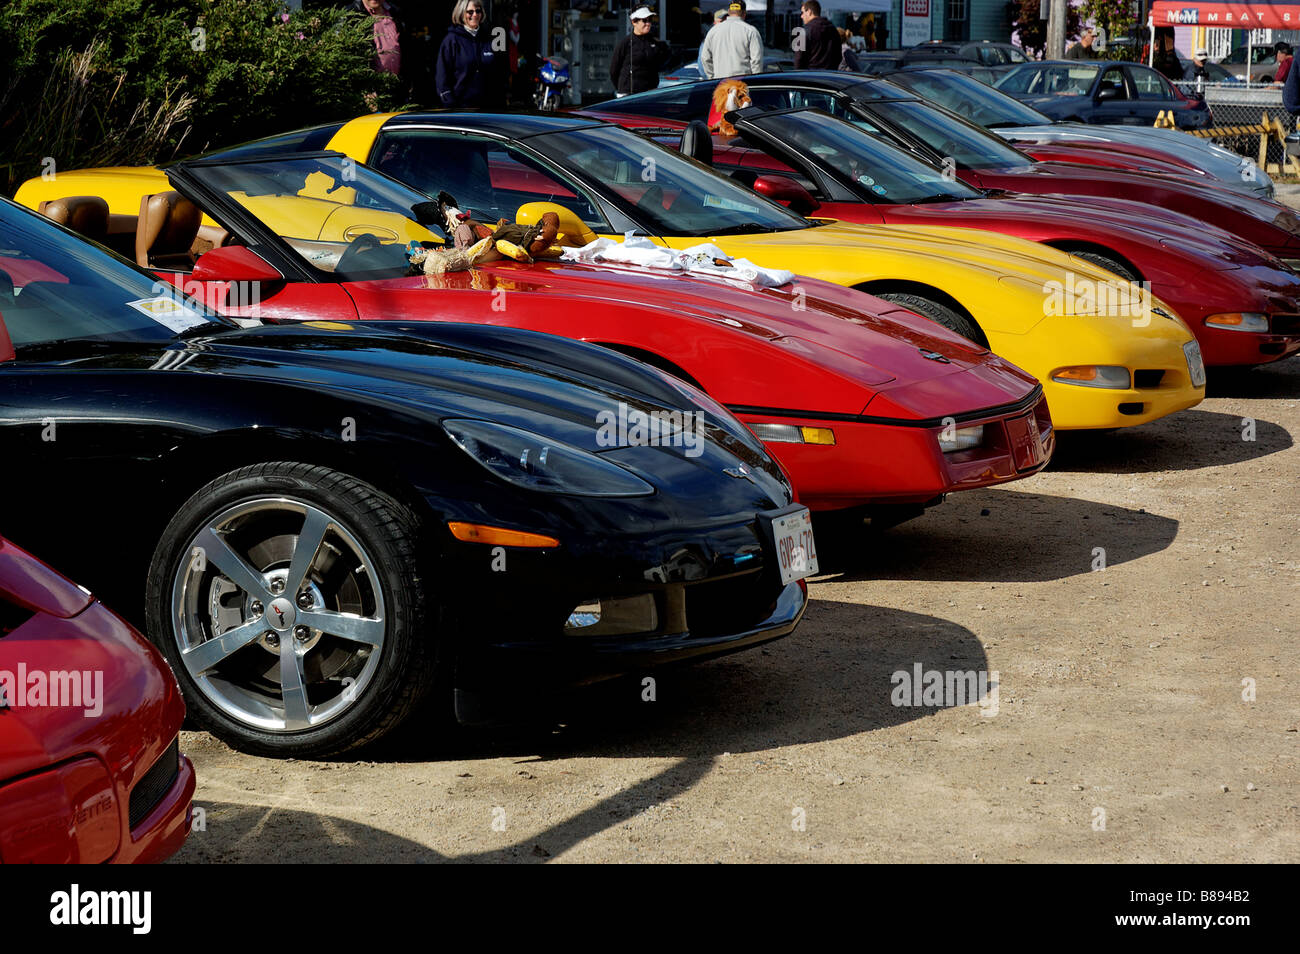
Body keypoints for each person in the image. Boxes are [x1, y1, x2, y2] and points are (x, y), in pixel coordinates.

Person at [435, 0, 502, 108]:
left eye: (478, 11)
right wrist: (451, 105)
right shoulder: (451, 40)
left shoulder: (489, 39)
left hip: (489, 110)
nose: (475, 15)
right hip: (460, 110)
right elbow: (442, 78)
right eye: (470, 12)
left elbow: (499, 73)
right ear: (461, 13)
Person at [610, 7, 671, 97]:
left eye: (650, 20)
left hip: (649, 92)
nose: (648, 24)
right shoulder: (625, 43)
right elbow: (613, 70)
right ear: (634, 22)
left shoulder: (654, 42)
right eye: (644, 20)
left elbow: (662, 61)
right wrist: (621, 88)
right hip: (627, 93)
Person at [700, 0, 764, 79]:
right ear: (744, 13)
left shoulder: (713, 31)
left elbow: (705, 58)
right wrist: (755, 80)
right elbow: (756, 60)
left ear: (729, 12)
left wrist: (712, 77)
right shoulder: (751, 31)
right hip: (742, 83)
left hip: (720, 83)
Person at [793, 1, 839, 71]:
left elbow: (798, 59)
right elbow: (838, 56)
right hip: (830, 76)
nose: (801, 16)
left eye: (802, 12)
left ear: (809, 12)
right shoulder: (833, 30)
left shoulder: (804, 31)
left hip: (811, 76)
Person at [697, 9, 728, 75]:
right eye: (722, 21)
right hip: (718, 81)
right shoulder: (709, 39)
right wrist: (711, 79)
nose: (725, 23)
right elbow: (703, 64)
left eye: (727, 20)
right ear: (714, 22)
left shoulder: (732, 36)